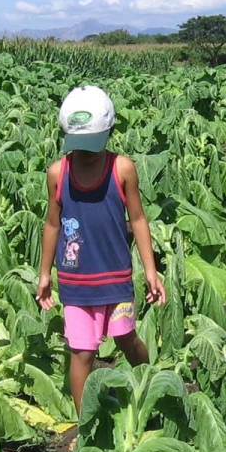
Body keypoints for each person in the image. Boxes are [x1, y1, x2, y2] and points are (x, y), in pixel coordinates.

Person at [36, 85, 166, 414]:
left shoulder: (122, 168)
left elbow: (138, 219)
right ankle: (86, 424)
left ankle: (148, 388)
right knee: (82, 353)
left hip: (115, 279)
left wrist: (151, 270)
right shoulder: (57, 173)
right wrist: (44, 273)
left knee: (126, 340)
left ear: (109, 132)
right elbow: (52, 224)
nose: (86, 153)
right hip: (76, 282)